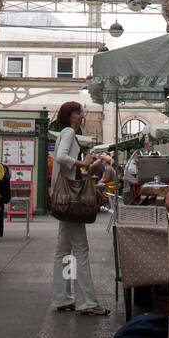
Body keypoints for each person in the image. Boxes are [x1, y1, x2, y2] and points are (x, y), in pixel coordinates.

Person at [50, 101, 110, 316]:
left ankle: (63, 297)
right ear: (69, 116)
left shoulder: (67, 134)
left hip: (65, 197)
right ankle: (87, 302)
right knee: (81, 250)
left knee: (64, 250)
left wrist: (89, 164)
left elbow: (65, 164)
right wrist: (83, 164)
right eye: (77, 112)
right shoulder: (67, 132)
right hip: (71, 199)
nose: (81, 115)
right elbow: (61, 158)